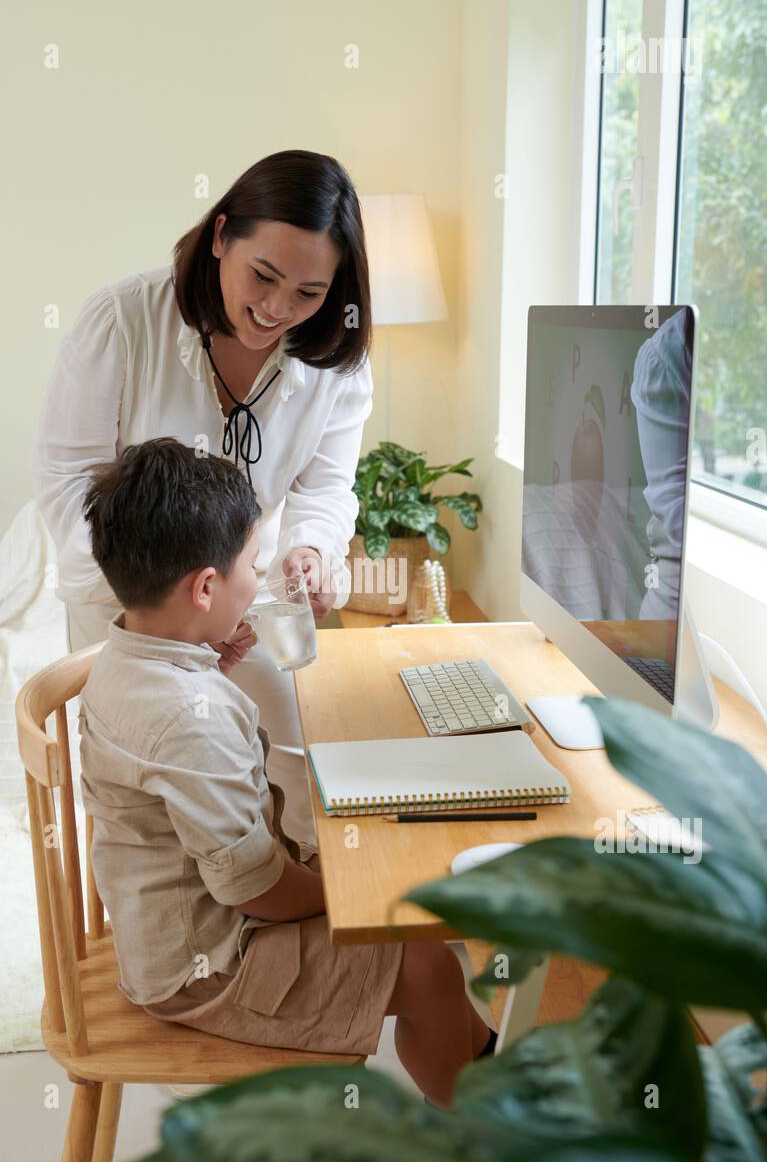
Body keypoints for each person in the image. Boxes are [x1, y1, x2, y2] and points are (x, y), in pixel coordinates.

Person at [77, 439, 495, 1108]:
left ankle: (492, 1074)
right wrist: (346, 892)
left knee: (418, 941)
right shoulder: (192, 716)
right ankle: (493, 1141)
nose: (261, 576)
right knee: (427, 965)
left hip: (172, 926)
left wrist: (208, 649)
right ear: (205, 587)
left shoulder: (133, 659)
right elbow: (253, 886)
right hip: (205, 969)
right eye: (253, 562)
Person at [32, 149, 376, 849]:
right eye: (263, 275)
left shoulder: (334, 358)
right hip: (127, 615)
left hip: (249, 603)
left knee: (299, 770)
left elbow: (327, 489)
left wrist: (309, 551)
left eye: (309, 293)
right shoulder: (122, 322)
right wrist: (173, 610)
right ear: (221, 237)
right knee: (157, 815)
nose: (277, 310)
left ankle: (297, 930)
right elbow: (68, 489)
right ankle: (177, 945)